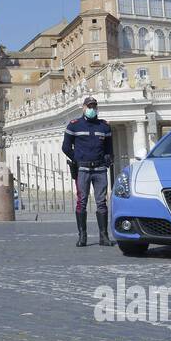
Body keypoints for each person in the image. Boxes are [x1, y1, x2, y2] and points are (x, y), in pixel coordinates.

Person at [62, 95, 114, 247]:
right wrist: (77, 159)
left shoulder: (104, 126)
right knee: (82, 202)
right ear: (83, 108)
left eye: (94, 106)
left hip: (99, 170)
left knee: (102, 202)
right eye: (89, 106)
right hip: (82, 169)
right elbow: (66, 147)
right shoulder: (74, 125)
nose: (91, 109)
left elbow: (109, 148)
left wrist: (108, 159)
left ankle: (103, 237)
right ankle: (82, 237)